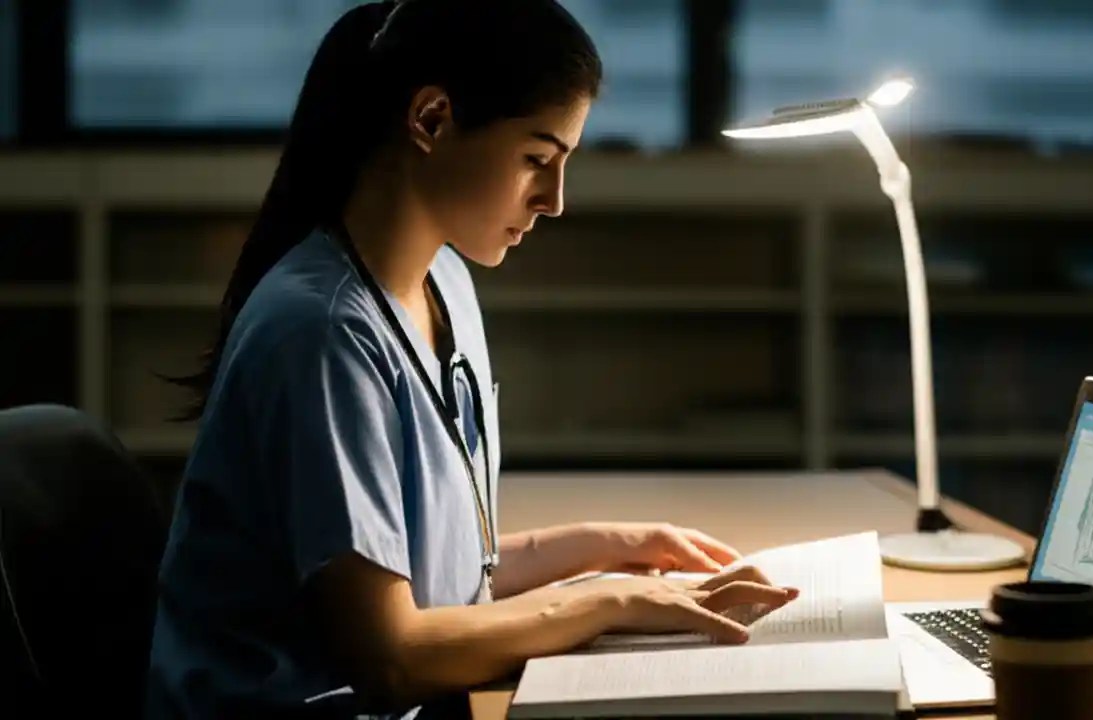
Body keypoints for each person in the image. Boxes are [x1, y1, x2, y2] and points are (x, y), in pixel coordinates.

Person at [146, 1, 799, 717]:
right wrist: (612, 602)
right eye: (535, 159)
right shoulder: (322, 333)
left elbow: (442, 576)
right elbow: (391, 654)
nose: (553, 201)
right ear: (430, 119)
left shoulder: (445, 283)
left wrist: (613, 546)